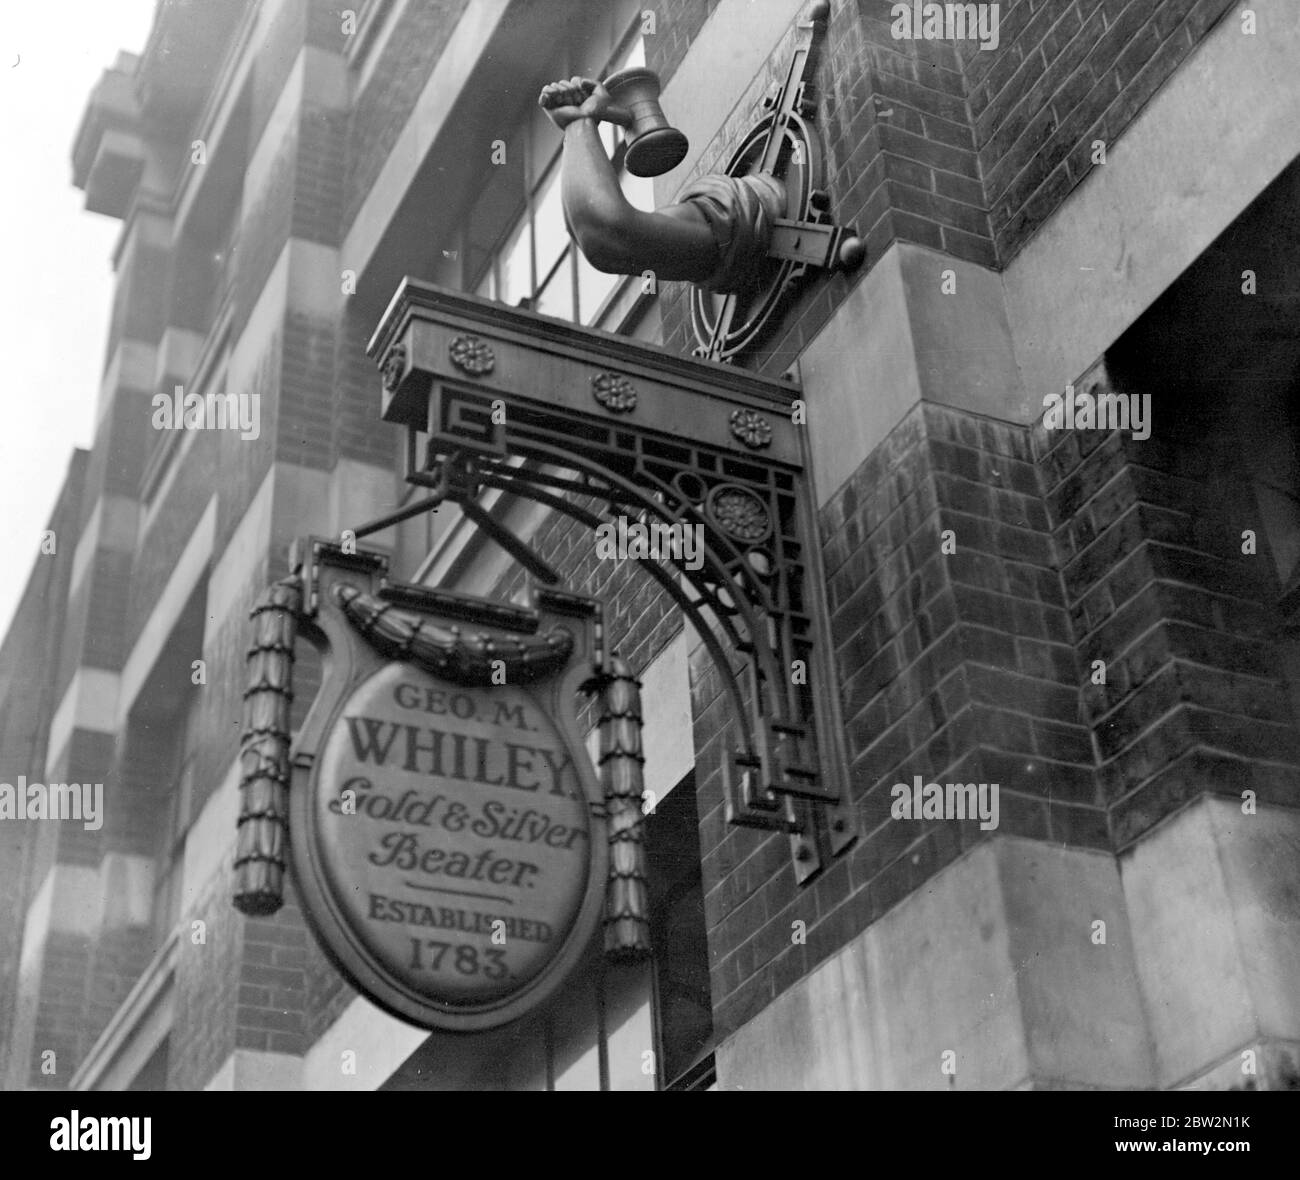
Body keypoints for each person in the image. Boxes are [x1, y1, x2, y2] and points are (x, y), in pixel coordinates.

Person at [538, 76, 785, 295]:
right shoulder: (714, 225)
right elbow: (597, 233)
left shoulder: (723, 226)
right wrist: (579, 123)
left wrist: (579, 124)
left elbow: (606, 231)